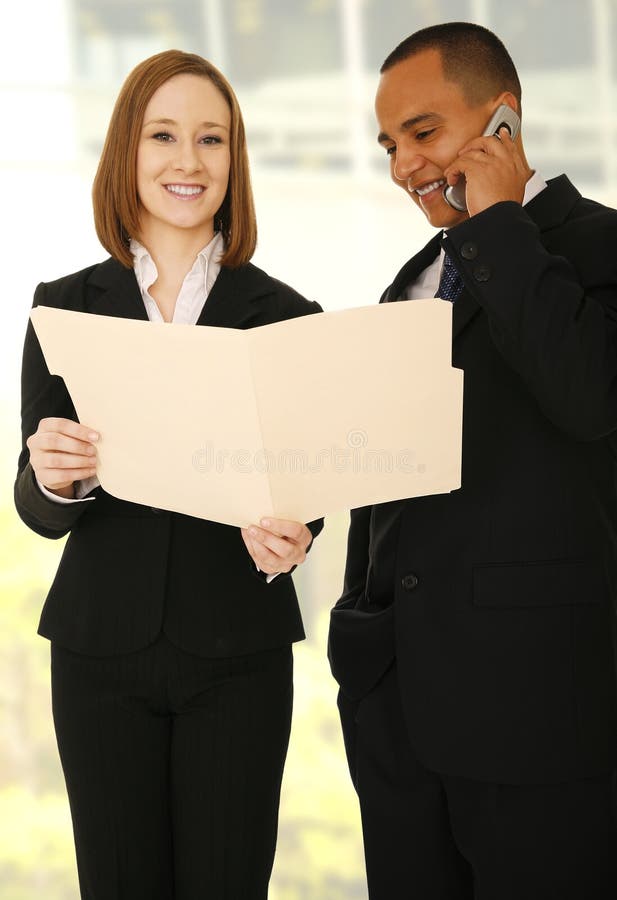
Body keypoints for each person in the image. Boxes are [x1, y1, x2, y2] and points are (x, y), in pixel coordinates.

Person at [15, 49, 323, 900]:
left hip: (238, 654)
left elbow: (307, 491)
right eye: (163, 135)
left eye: (211, 139)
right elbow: (37, 508)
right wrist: (57, 477)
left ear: (235, 160)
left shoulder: (290, 318)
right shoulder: (63, 305)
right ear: (128, 151)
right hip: (98, 653)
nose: (188, 161)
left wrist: (290, 535)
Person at [328, 22, 617, 900]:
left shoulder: (598, 247)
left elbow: (589, 396)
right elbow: (381, 483)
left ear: (503, 120)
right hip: (400, 715)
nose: (403, 168)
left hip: (538, 720)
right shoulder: (411, 281)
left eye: (423, 134)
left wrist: (497, 223)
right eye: (387, 145)